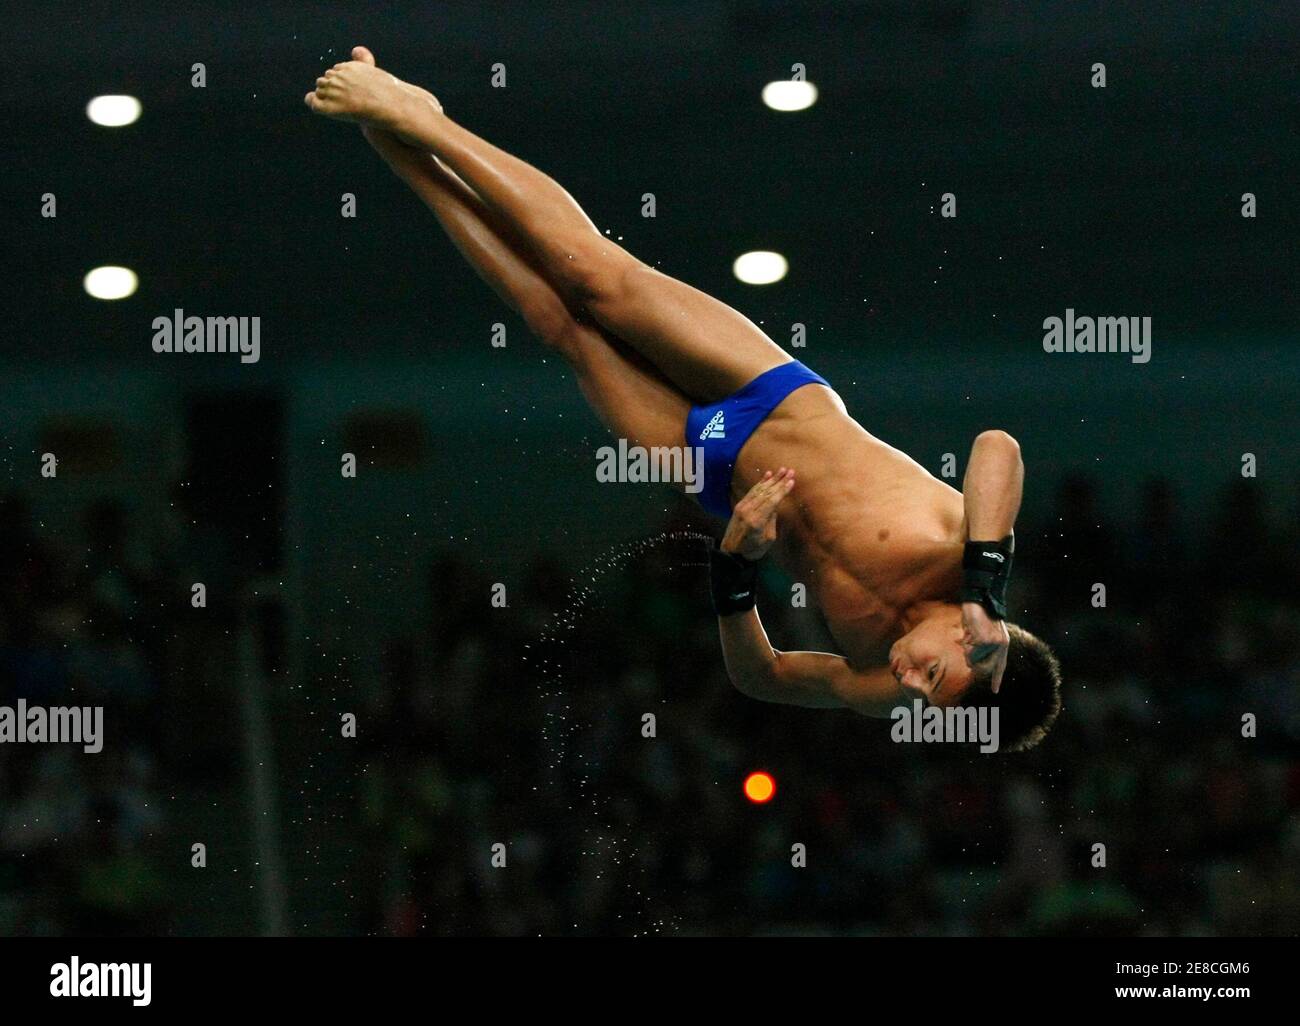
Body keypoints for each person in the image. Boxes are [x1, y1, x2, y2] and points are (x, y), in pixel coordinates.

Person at [306, 48, 1061, 751]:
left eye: (921, 699)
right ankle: (423, 121)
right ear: (978, 640)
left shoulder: (874, 684)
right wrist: (983, 583)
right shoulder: (966, 561)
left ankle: (400, 145)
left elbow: (762, 677)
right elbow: (999, 447)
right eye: (932, 675)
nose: (906, 680)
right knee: (594, 279)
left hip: (712, 474)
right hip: (771, 400)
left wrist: (735, 570)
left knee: (560, 324)